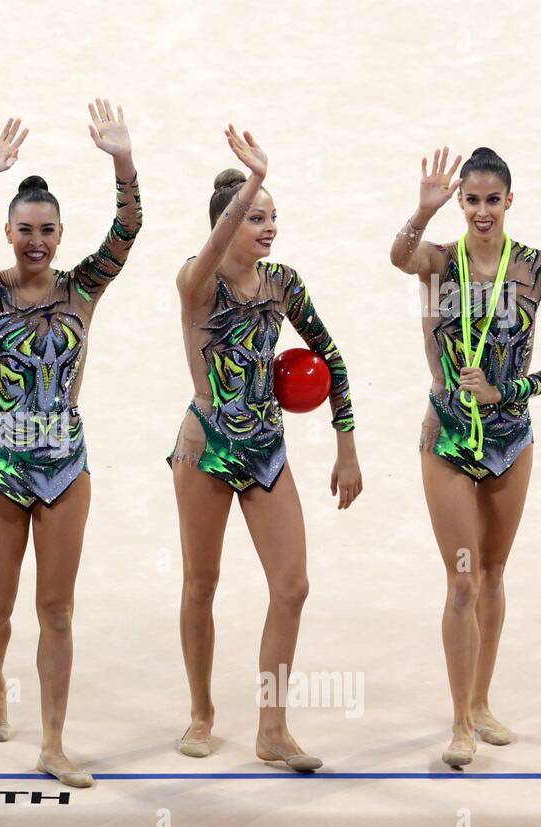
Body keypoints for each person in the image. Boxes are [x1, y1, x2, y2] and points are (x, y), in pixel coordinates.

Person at [0, 99, 142, 788]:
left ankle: (55, 742)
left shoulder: (82, 289)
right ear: (8, 230)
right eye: (25, 229)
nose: (36, 241)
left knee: (56, 609)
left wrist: (122, 159)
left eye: (47, 231)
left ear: (61, 235)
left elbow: (129, 227)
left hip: (65, 467)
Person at [169, 124, 360, 772]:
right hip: (204, 448)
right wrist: (250, 177)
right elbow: (206, 258)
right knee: (202, 582)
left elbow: (330, 355)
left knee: (293, 584)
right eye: (255, 217)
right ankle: (201, 710)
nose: (269, 227)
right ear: (226, 225)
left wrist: (346, 445)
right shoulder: (196, 284)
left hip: (265, 451)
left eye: (273, 215)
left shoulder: (282, 283)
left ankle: (271, 729)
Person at [390, 146, 541, 767]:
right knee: (463, 580)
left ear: (509, 201)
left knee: (493, 576)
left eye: (493, 199)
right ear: (461, 202)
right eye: (472, 200)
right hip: (447, 437)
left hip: (510, 438)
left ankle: (482, 700)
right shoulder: (440, 263)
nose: (482, 211)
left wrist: (506, 391)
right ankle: (460, 722)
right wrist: (421, 212)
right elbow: (398, 257)